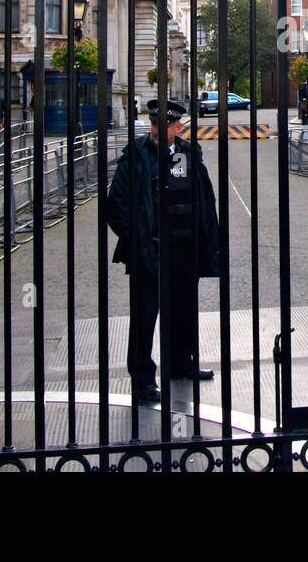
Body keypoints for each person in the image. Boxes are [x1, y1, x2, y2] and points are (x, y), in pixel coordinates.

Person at [107, 98, 220, 403]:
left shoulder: (188, 153)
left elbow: (203, 198)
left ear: (177, 127)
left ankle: (180, 365)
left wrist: (206, 238)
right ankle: (143, 379)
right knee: (145, 316)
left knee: (183, 310)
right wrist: (139, 237)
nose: (161, 129)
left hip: (184, 248)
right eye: (157, 124)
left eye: (167, 125)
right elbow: (115, 206)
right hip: (151, 251)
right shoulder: (136, 157)